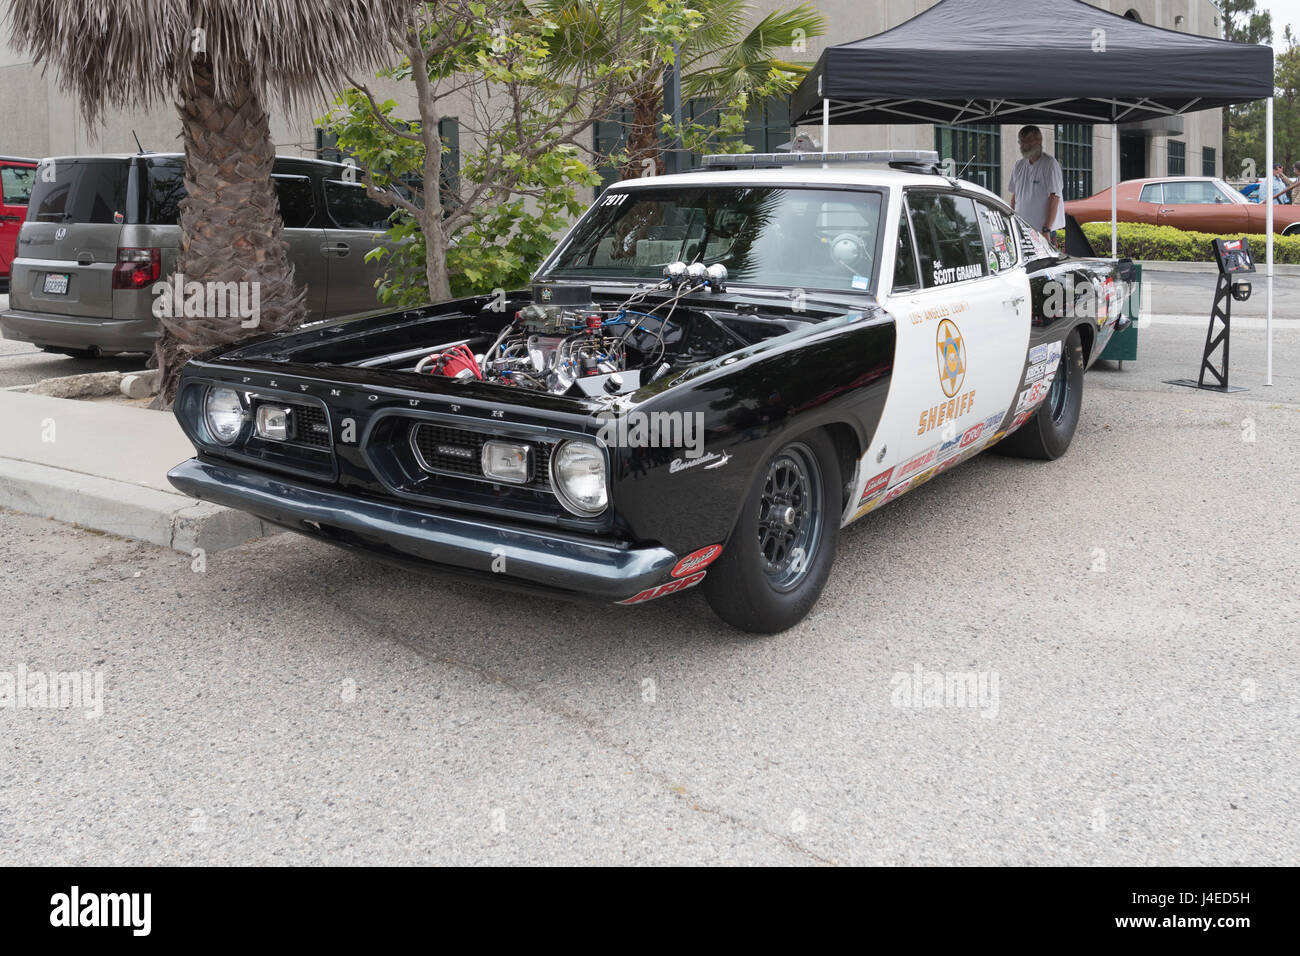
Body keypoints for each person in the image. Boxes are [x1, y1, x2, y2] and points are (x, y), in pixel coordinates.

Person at [1008, 126, 1065, 241]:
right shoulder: (1018, 165)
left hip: (1043, 231)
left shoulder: (1050, 164)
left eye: (1028, 141)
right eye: (1021, 142)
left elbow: (1054, 197)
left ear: (1039, 141)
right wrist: (1011, 221)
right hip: (1022, 229)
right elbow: (1015, 196)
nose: (1024, 146)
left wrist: (1046, 229)